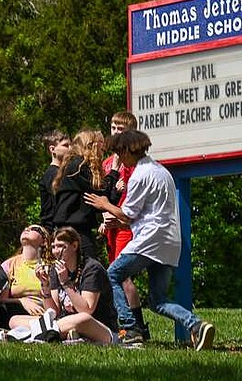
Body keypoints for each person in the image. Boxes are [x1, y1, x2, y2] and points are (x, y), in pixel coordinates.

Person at [84, 130, 216, 350]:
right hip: (169, 243)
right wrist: (123, 222)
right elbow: (144, 215)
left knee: (113, 274)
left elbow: (127, 214)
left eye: (119, 152)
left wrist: (104, 204)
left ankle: (131, 330)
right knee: (158, 300)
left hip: (150, 240)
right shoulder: (162, 171)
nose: (118, 157)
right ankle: (197, 326)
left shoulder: (139, 175)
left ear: (128, 150)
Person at [7, 227, 117, 344]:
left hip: (99, 327)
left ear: (74, 246)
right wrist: (45, 286)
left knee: (82, 318)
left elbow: (86, 309)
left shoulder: (91, 269)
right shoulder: (55, 270)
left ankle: (27, 335)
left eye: (60, 246)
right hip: (64, 322)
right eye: (53, 247)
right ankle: (55, 334)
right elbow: (53, 311)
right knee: (14, 320)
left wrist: (65, 283)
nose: (56, 251)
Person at [99, 111, 150, 339]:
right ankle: (132, 325)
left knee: (121, 275)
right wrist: (104, 219)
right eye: (113, 127)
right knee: (114, 273)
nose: (116, 132)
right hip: (110, 226)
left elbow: (136, 199)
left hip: (127, 226)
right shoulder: (107, 163)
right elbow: (103, 196)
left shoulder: (135, 164)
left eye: (121, 129)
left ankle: (135, 325)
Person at [52, 129, 120, 261]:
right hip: (73, 230)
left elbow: (98, 202)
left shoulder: (74, 165)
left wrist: (116, 192)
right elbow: (100, 193)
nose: (103, 149)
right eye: (100, 144)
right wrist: (114, 172)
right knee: (91, 268)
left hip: (75, 228)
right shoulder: (78, 166)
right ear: (91, 145)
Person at [0, 225, 50, 325]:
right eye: (26, 228)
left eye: (35, 229)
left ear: (44, 242)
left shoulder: (50, 267)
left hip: (44, 312)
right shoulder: (9, 265)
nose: (27, 229)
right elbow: (1, 300)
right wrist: (22, 301)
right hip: (16, 311)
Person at [39, 129, 71, 230]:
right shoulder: (52, 174)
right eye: (65, 145)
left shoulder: (61, 172)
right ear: (52, 149)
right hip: (54, 229)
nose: (70, 149)